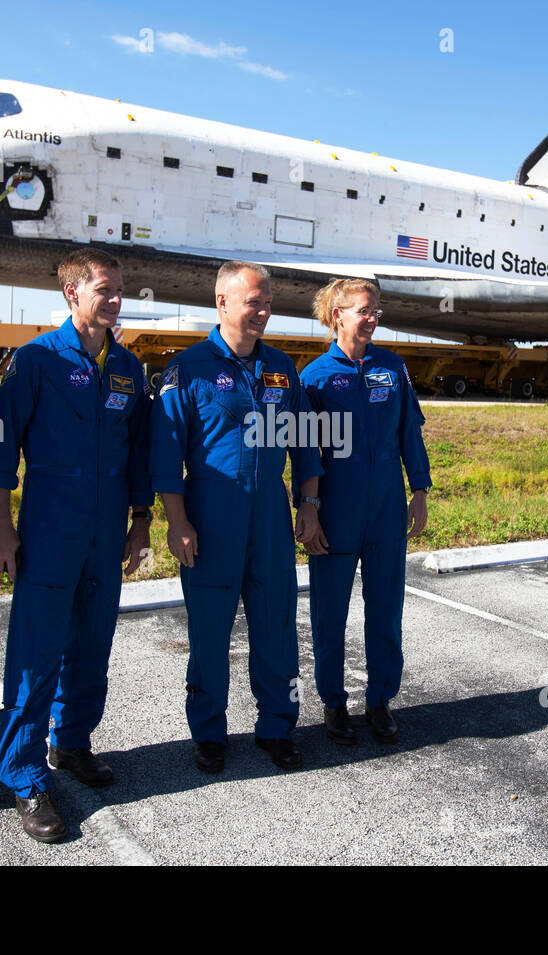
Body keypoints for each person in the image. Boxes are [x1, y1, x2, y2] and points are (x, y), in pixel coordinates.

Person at [0, 249, 152, 844]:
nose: (114, 300)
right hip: (51, 523)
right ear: (72, 293)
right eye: (103, 289)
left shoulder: (129, 367)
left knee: (93, 642)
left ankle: (73, 742)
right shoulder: (34, 361)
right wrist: (0, 525)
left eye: (118, 291)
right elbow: (2, 448)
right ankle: (25, 774)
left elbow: (137, 453)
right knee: (37, 649)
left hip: (107, 528)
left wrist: (140, 521)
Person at [150, 262, 324, 774]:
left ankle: (277, 726)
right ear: (222, 303)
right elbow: (166, 456)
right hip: (211, 513)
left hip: (269, 513)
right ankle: (209, 732)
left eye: (268, 301)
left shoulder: (282, 368)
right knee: (209, 630)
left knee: (276, 626)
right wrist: (177, 521)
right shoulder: (188, 370)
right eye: (254, 301)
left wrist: (308, 504)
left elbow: (304, 443)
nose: (264, 310)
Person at [300, 279, 431, 745]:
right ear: (337, 315)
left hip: (386, 509)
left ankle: (379, 700)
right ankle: (334, 704)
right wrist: (309, 508)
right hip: (336, 510)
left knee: (385, 608)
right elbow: (306, 452)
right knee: (329, 612)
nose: (373, 317)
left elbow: (409, 432)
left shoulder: (392, 368)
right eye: (363, 310)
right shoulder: (314, 377)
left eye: (377, 310)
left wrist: (419, 489)